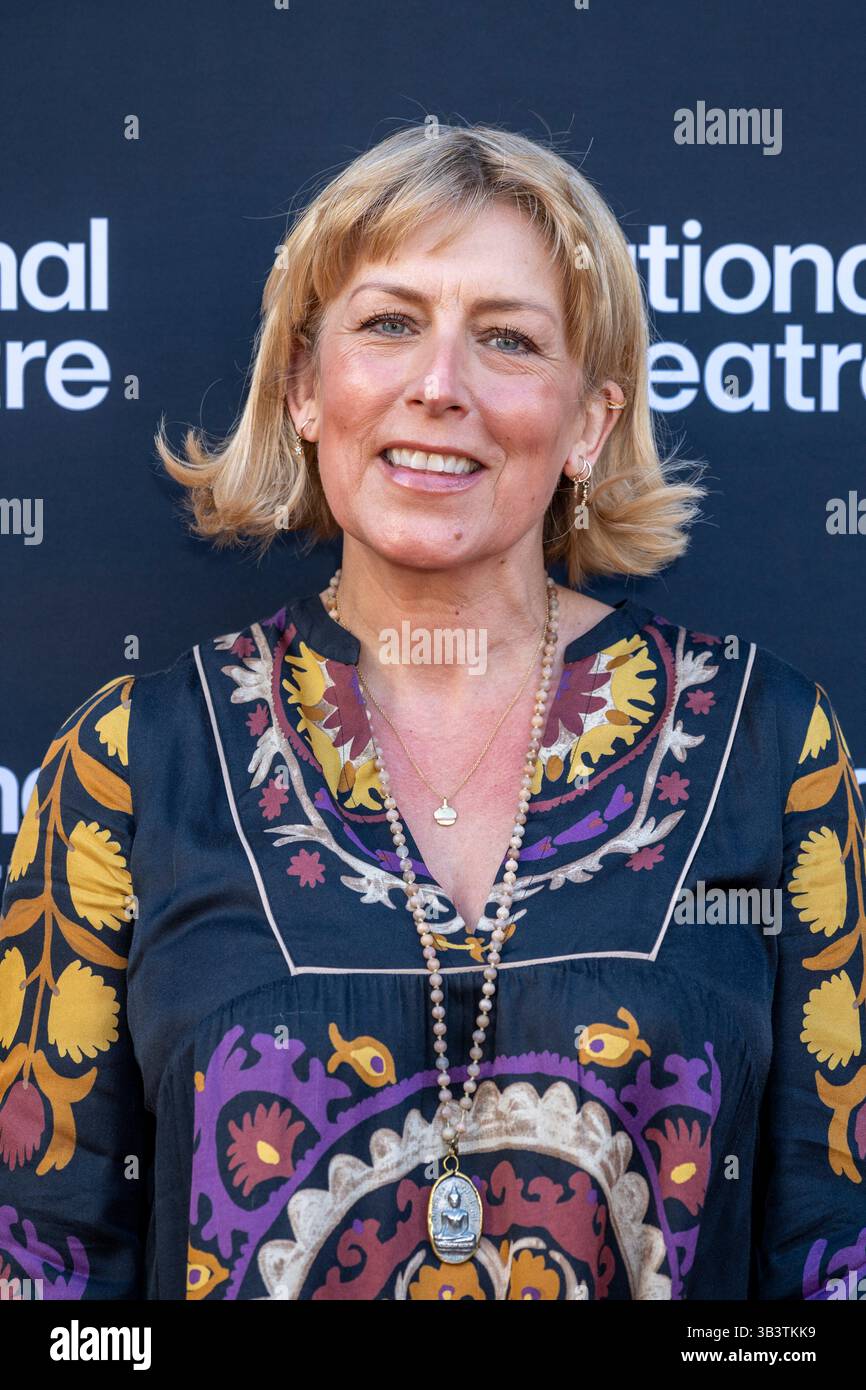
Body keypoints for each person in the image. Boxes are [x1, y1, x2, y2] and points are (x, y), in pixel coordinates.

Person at [1, 123, 863, 1302]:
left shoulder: (768, 753)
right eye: (389, 323)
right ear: (305, 389)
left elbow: (832, 1255)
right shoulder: (133, 766)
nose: (439, 385)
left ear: (587, 426)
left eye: (507, 339)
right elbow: (40, 1274)